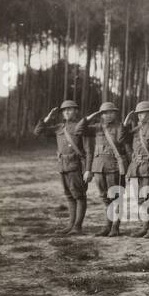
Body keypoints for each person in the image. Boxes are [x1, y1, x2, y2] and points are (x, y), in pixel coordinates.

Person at [33, 99, 89, 236]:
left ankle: (78, 226)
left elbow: (88, 150)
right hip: (62, 166)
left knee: (79, 196)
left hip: (76, 166)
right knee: (69, 196)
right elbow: (38, 131)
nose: (67, 112)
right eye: (65, 110)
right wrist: (47, 118)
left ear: (76, 111)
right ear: (62, 113)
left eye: (70, 109)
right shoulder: (59, 127)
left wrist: (88, 169)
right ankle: (70, 225)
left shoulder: (81, 126)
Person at [82, 101, 128, 237]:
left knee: (115, 197)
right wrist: (89, 117)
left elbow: (122, 140)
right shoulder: (97, 127)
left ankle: (115, 227)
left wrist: (122, 126)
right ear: (100, 115)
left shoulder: (120, 127)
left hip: (114, 166)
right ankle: (107, 226)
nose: (108, 115)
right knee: (105, 198)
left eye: (110, 112)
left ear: (115, 114)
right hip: (98, 167)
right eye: (104, 113)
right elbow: (80, 129)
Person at [124, 100, 149, 238]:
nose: (141, 116)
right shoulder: (136, 129)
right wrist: (125, 123)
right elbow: (122, 139)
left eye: (144, 113)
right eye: (139, 113)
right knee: (140, 199)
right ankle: (144, 226)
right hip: (137, 168)